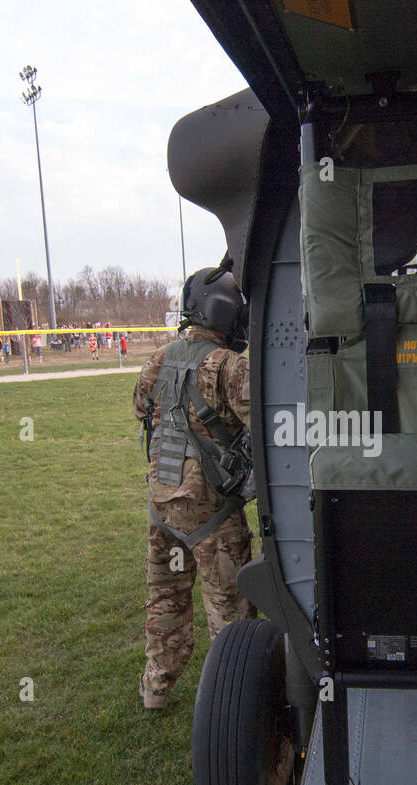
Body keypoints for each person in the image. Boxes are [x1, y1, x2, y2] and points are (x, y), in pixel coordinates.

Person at [133, 260, 256, 709]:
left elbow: (141, 409)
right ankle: (234, 700)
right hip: (212, 511)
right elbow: (265, 427)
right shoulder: (229, 367)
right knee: (230, 611)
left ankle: (156, 691)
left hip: (161, 505)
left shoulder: (157, 357)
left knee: (165, 600)